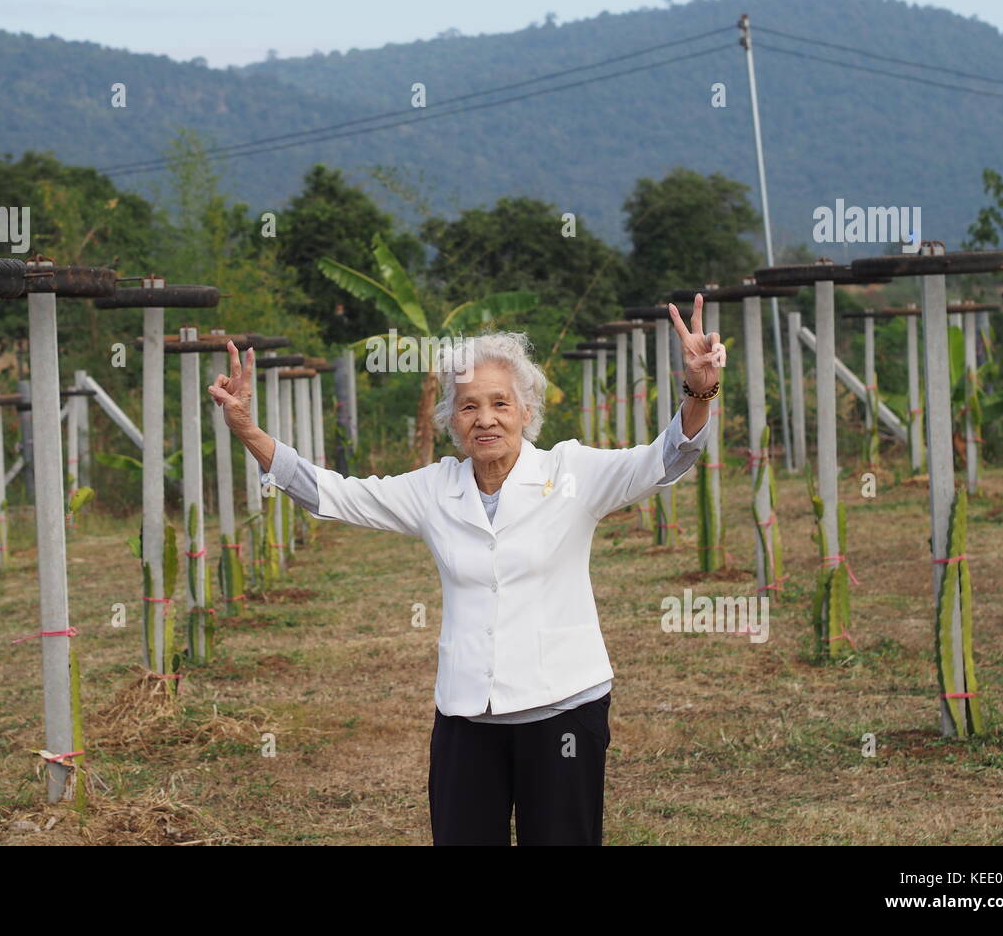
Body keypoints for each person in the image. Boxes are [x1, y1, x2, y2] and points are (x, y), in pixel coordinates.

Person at [208, 296, 723, 845]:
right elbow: (332, 494)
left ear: (526, 411)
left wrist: (699, 391)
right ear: (451, 419)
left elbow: (668, 457)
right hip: (466, 718)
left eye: (500, 402)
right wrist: (246, 429)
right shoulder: (435, 488)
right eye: (469, 406)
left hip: (563, 713)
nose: (486, 418)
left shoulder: (571, 472)